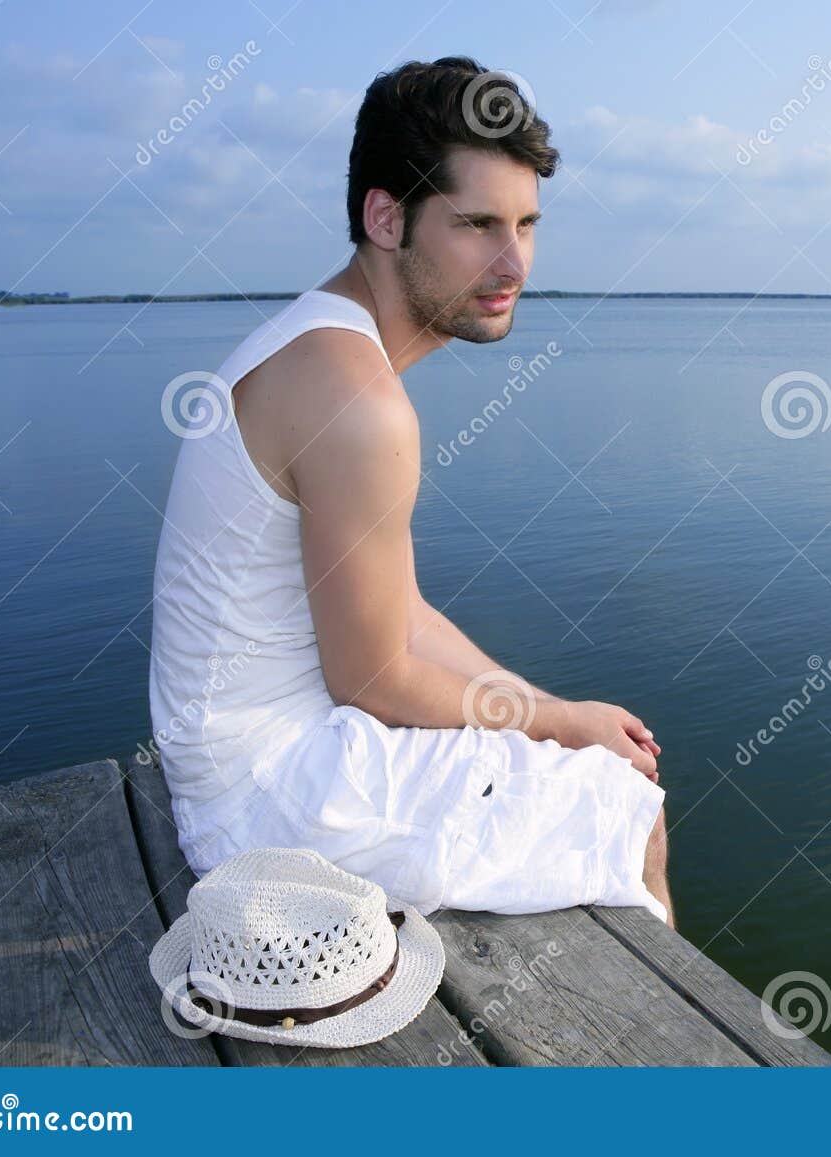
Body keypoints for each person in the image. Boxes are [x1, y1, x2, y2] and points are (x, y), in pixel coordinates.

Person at [147, 56, 673, 927]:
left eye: (527, 224)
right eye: (476, 224)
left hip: (243, 755)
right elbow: (376, 678)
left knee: (589, 767)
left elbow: (402, 613)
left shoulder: (325, 343)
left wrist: (551, 709)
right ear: (386, 217)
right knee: (630, 810)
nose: (514, 263)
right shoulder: (358, 401)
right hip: (267, 797)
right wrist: (557, 725)